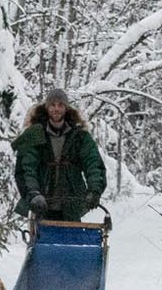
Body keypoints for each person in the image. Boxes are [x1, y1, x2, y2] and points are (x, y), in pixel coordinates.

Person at [12, 92, 107, 222]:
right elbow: (26, 168)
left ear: (66, 108)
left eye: (60, 105)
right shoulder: (34, 134)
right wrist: (33, 194)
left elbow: (93, 164)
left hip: (72, 204)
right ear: (47, 107)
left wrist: (94, 191)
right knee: (43, 240)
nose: (56, 109)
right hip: (42, 205)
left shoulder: (80, 137)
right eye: (52, 105)